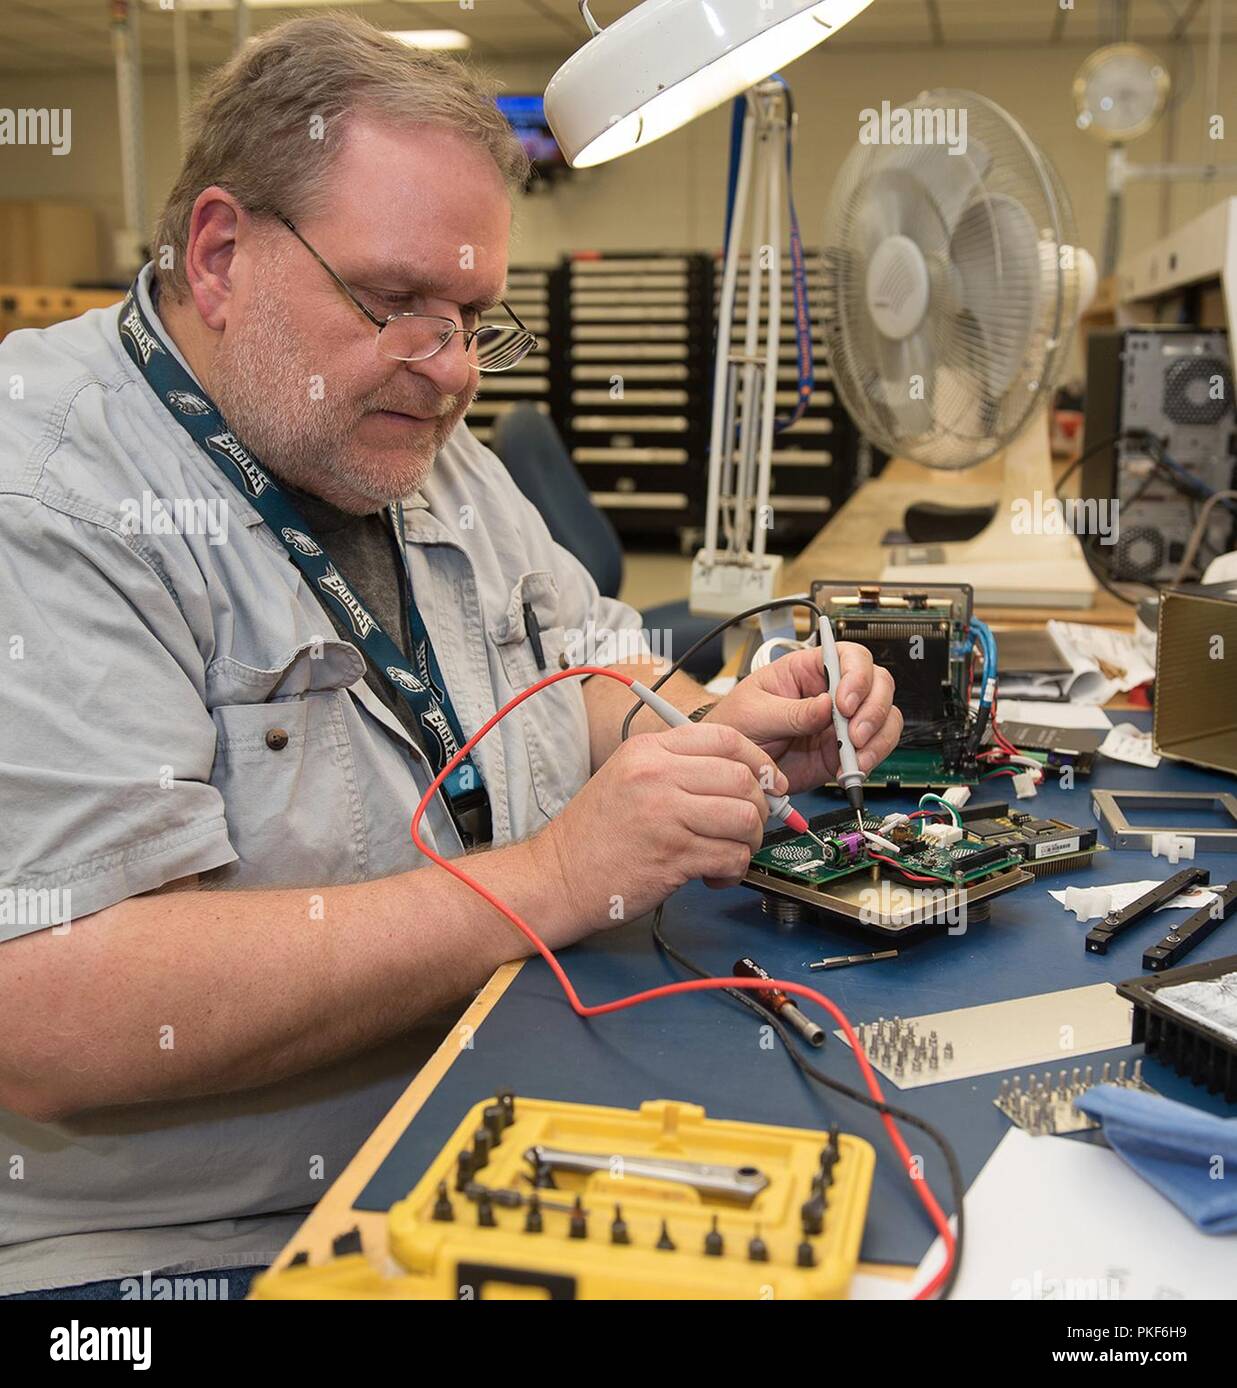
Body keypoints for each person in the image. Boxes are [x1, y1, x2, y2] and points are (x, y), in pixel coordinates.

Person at [0, 14, 901, 1298]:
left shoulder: (411, 433)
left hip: (487, 1101)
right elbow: (50, 1006)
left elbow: (577, 666)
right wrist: (551, 876)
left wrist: (713, 726)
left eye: (477, 317)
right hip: (192, 1244)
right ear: (218, 254)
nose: (451, 370)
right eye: (397, 303)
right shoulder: (47, 495)